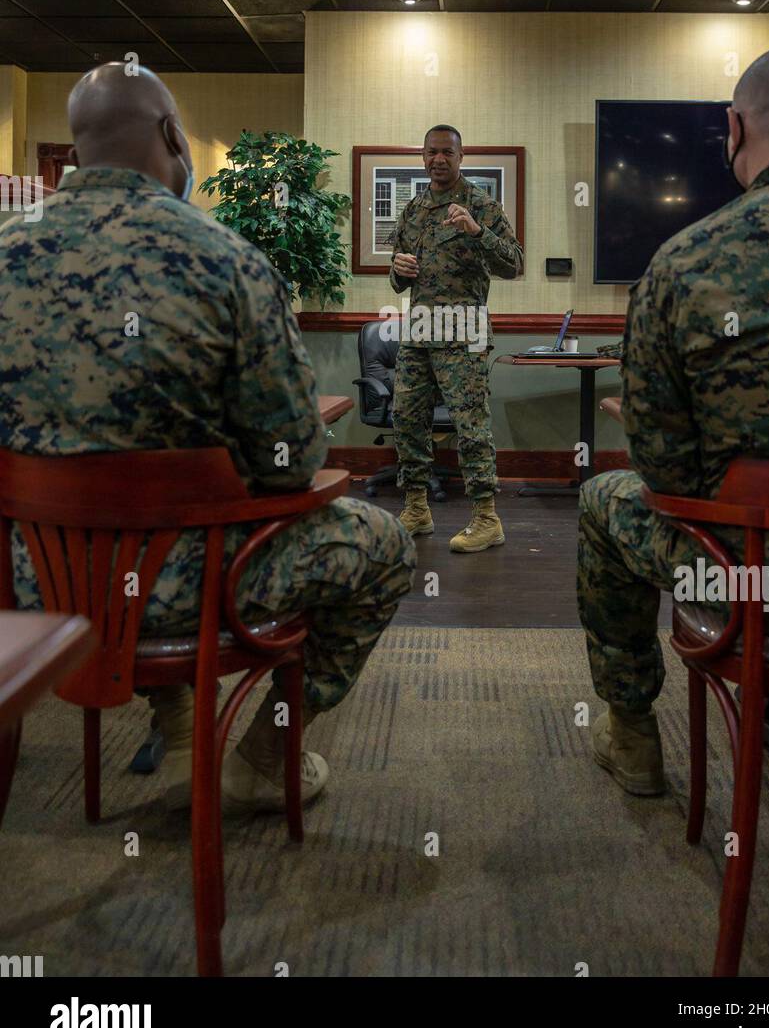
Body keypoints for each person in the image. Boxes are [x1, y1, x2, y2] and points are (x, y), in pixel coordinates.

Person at [0, 62, 415, 815]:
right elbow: (290, 462)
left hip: (27, 587)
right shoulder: (226, 258)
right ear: (170, 135)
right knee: (382, 546)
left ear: (75, 146)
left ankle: (170, 712)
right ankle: (261, 757)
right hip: (192, 590)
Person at [577, 44, 769, 796]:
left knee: (602, 501)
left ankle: (634, 738)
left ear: (733, 130)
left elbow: (669, 477)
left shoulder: (682, 263)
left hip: (746, 583)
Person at [389, 124, 524, 551]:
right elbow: (396, 280)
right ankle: (416, 508)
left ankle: (486, 518)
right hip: (419, 330)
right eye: (431, 152)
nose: (438, 160)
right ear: (423, 157)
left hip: (463, 329)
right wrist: (398, 270)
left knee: (471, 425)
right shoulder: (411, 211)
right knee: (407, 419)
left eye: (447, 152)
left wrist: (477, 233)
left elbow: (515, 264)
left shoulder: (482, 206)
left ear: (461, 157)